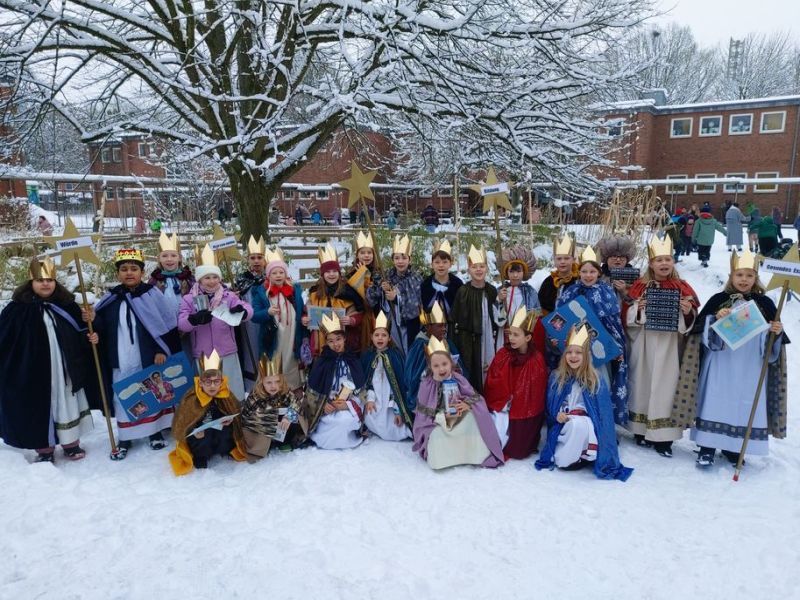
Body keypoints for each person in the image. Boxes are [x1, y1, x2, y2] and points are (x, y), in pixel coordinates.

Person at [673, 249, 788, 467]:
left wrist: (776, 330)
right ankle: (707, 446)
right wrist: (714, 318)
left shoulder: (765, 304)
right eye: (739, 275)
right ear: (731, 276)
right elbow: (699, 330)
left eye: (749, 275)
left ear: (756, 278)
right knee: (714, 400)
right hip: (721, 362)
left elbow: (774, 341)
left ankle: (734, 447)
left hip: (751, 364)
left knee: (742, 404)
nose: (744, 280)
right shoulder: (719, 300)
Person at [0, 257, 97, 463]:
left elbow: (80, 335)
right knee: (39, 406)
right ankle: (45, 448)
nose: (45, 284)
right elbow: (5, 339)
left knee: (67, 401)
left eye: (50, 280)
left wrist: (90, 330)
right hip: (33, 372)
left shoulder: (67, 305)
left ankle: (71, 444)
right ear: (31, 283)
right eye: (39, 280)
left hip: (65, 369)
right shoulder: (17, 310)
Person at [90, 248, 181, 459]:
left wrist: (161, 350)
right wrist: (93, 322)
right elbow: (101, 326)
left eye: (134, 269)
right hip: (121, 356)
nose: (129, 273)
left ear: (142, 272)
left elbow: (166, 323)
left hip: (147, 354)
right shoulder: (110, 298)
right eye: (124, 269)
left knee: (150, 390)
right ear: (117, 273)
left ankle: (154, 432)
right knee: (124, 393)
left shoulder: (151, 295)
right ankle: (125, 436)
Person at [625, 236, 699, 457]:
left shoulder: (683, 287)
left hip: (669, 346)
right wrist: (638, 309)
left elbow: (693, 320)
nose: (664, 264)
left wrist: (687, 312)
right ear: (651, 263)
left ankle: (663, 438)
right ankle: (639, 430)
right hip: (645, 343)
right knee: (642, 383)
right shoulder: (640, 286)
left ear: (673, 261)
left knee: (665, 388)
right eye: (659, 260)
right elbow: (626, 316)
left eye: (667, 259)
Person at [535, 325, 633, 481]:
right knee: (574, 427)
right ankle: (568, 457)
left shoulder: (595, 379)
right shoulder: (557, 377)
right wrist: (557, 414)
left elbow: (603, 415)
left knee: (581, 425)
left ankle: (582, 455)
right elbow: (550, 407)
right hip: (563, 425)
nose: (573, 356)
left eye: (578, 352)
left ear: (586, 355)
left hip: (587, 424)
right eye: (569, 352)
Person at [557, 245, 629, 425]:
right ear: (579, 272)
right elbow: (561, 319)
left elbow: (614, 322)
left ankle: (601, 424)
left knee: (599, 384)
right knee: (577, 387)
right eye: (584, 271)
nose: (588, 275)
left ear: (598, 272)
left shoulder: (606, 292)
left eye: (592, 271)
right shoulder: (571, 291)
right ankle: (578, 420)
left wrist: (616, 345)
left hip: (599, 350)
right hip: (576, 350)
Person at [411, 335, 504, 470]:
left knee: (473, 420)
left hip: (458, 417)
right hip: (437, 423)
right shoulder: (427, 384)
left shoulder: (459, 379)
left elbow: (476, 397)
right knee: (436, 436)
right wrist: (441, 417)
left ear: (451, 363)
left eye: (444, 364)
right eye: (436, 366)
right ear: (430, 367)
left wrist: (467, 404)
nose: (441, 369)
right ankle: (443, 459)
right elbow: (423, 414)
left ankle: (472, 455)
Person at [178, 244, 254, 400]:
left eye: (215, 277)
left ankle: (233, 414)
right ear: (200, 279)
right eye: (207, 277)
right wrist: (194, 319)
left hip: (226, 350)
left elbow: (248, 310)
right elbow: (182, 323)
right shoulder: (189, 299)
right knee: (207, 389)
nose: (211, 281)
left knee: (230, 387)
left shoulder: (229, 296)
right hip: (202, 353)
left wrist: (242, 310)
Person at [168, 350, 247, 475]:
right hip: (201, 435)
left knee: (227, 432)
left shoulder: (226, 394)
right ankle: (200, 457)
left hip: (219, 430)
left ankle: (225, 449)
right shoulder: (192, 398)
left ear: (221, 382)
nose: (212, 386)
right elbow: (182, 422)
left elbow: (236, 413)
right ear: (200, 382)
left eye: (216, 382)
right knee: (201, 438)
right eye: (208, 382)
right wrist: (194, 429)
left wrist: (230, 420)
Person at [484, 307, 548, 460]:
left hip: (524, 415)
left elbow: (537, 392)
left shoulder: (537, 360)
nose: (511, 338)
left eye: (516, 335)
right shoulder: (502, 354)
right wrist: (506, 398)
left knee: (519, 451)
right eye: (510, 334)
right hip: (502, 408)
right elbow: (493, 382)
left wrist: (518, 399)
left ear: (527, 338)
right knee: (495, 441)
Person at [302, 312, 366, 450]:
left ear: (344, 339)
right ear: (326, 342)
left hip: (346, 406)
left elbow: (360, 391)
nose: (335, 344)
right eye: (331, 341)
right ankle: (325, 439)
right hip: (327, 409)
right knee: (331, 422)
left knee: (345, 420)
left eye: (338, 339)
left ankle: (341, 439)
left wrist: (348, 405)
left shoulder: (352, 359)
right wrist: (323, 405)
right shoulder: (321, 362)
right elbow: (312, 394)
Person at [250, 246, 306, 393]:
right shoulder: (262, 293)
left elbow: (302, 310)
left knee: (291, 360)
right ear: (268, 275)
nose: (278, 275)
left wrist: (305, 318)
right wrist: (267, 312)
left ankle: (292, 388)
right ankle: (270, 389)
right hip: (274, 336)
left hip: (292, 333)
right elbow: (254, 316)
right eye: (274, 273)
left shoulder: (294, 291)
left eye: (281, 272)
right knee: (274, 360)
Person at [450, 245, 503, 393]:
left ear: (487, 268)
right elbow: (455, 319)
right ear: (469, 269)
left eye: (482, 266)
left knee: (488, 368)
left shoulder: (492, 290)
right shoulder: (463, 291)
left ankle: (489, 398)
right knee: (472, 370)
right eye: (474, 267)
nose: (478, 270)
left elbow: (498, 318)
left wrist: (499, 301)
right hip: (469, 341)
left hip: (488, 338)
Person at [405, 302, 468, 413]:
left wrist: (457, 370)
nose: (444, 329)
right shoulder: (419, 346)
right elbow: (411, 377)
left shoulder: (448, 343)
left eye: (445, 325)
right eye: (439, 326)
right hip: (428, 395)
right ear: (428, 327)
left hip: (450, 392)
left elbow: (461, 370)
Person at [302, 243, 364, 356]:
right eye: (328, 272)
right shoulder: (315, 293)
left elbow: (358, 313)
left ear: (339, 273)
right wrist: (305, 319)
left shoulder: (347, 292)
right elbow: (306, 311)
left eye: (335, 271)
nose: (331, 274)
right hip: (320, 339)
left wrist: (351, 320)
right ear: (322, 274)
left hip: (343, 340)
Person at [366, 234, 423, 355]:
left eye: (404, 258)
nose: (400, 261)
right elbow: (371, 298)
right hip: (389, 323)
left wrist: (396, 298)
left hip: (407, 325)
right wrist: (381, 289)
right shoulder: (386, 275)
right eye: (397, 258)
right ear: (393, 260)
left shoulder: (415, 278)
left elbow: (416, 304)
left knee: (407, 351)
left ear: (409, 259)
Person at [240, 353, 304, 460]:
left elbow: (295, 403)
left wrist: (288, 417)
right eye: (269, 382)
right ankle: (265, 445)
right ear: (262, 382)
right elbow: (247, 415)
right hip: (262, 430)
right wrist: (271, 419)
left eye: (277, 381)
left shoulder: (284, 391)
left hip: (281, 428)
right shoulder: (255, 395)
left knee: (294, 416)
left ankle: (285, 441)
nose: (273, 386)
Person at [361, 311, 413, 441]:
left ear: (389, 338)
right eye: (376, 335)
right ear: (371, 336)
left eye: (383, 335)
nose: (380, 338)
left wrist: (397, 410)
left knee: (396, 428)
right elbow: (367, 383)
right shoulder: (367, 356)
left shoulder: (395, 356)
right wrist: (370, 399)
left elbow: (399, 387)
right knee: (369, 415)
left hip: (391, 404)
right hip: (375, 401)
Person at [233, 236, 268, 392]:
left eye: (259, 257)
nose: (256, 261)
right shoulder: (241, 280)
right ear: (247, 260)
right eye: (252, 258)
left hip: (267, 321)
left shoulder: (272, 277)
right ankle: (252, 388)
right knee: (250, 353)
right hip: (248, 325)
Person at [496, 245, 541, 349]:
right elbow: (498, 318)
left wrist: (520, 331)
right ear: (506, 272)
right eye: (511, 271)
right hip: (504, 335)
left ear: (524, 272)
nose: (515, 275)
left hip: (523, 338)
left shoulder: (530, 292)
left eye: (518, 271)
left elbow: (535, 316)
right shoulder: (501, 291)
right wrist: (499, 300)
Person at [148, 232, 194, 317]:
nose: (169, 259)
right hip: (165, 324)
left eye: (173, 256)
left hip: (187, 322)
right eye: (164, 256)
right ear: (159, 259)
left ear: (179, 258)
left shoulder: (188, 278)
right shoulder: (154, 281)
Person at [346, 231, 378, 349]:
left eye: (369, 252)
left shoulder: (378, 273)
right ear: (357, 255)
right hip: (358, 318)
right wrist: (360, 275)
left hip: (375, 315)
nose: (366, 256)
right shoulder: (351, 274)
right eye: (362, 252)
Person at [420, 239, 463, 320]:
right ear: (432, 264)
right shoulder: (425, 285)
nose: (441, 265)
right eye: (437, 262)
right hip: (430, 327)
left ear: (450, 263)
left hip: (452, 329)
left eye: (444, 262)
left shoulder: (457, 285)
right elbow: (422, 309)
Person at [538, 233, 579, 314]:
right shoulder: (548, 282)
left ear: (573, 260)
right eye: (559, 259)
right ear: (554, 260)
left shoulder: (579, 281)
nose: (562, 262)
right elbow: (541, 304)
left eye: (566, 258)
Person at [596, 235, 638, 308]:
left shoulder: (635, 278)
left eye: (622, 257)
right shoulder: (598, 276)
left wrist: (624, 292)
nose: (618, 259)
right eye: (614, 256)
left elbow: (637, 305)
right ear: (607, 258)